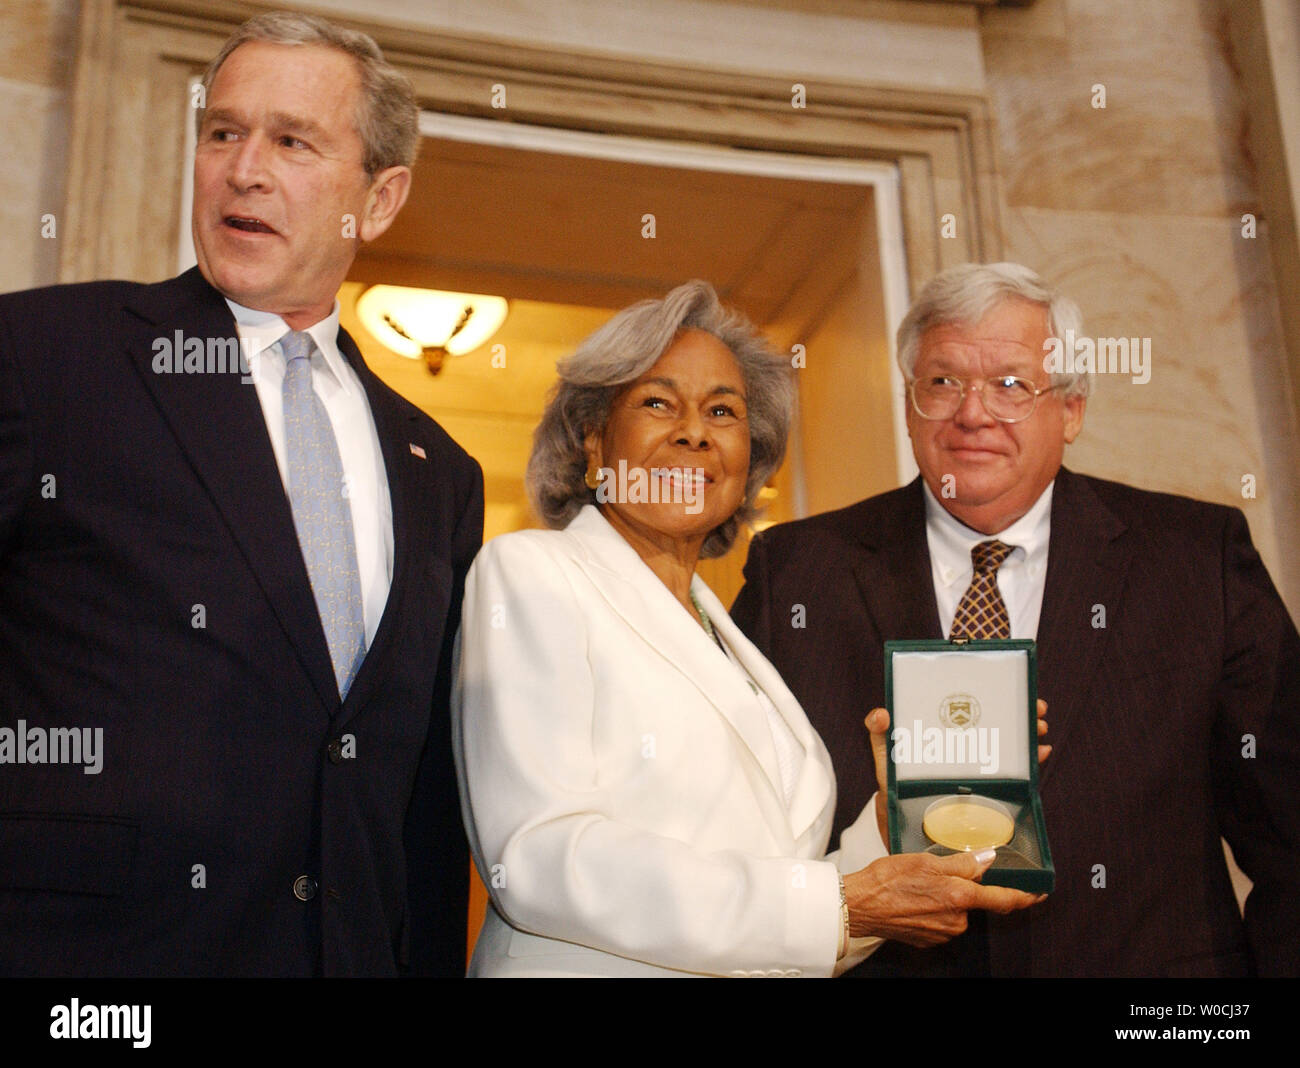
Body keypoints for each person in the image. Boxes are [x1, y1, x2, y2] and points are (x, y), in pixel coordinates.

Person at [0, 12, 482, 976]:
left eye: (293, 141)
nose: (244, 169)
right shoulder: (44, 356)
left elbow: (420, 788)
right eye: (222, 132)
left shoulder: (441, 469)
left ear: (378, 201)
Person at [452, 280, 1042, 977]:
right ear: (592, 442)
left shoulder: (726, 634)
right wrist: (839, 904)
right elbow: (538, 856)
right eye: (657, 403)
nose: (694, 431)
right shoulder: (530, 574)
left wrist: (884, 834)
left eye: (723, 411)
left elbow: (782, 905)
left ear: (748, 465)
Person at [732, 261, 1300, 977]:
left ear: (1071, 409)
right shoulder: (795, 570)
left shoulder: (1195, 557)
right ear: (910, 404)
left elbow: (1290, 830)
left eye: (1010, 384)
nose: (974, 414)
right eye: (943, 383)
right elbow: (738, 827)